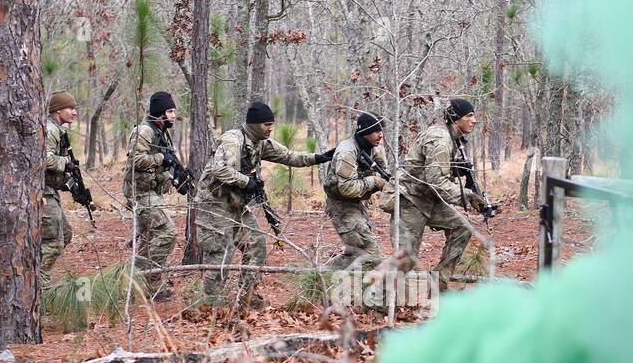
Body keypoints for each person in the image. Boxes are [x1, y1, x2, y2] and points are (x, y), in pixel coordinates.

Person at [195, 101, 333, 310]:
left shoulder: (261, 142)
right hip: (214, 203)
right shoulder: (233, 140)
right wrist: (247, 182)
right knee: (220, 252)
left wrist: (320, 158)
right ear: (254, 124)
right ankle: (212, 302)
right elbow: (219, 170)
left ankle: (246, 296)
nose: (271, 128)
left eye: (272, 124)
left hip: (236, 204)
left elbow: (288, 156)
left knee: (256, 245)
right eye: (267, 124)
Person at [381, 97, 494, 290]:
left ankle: (438, 283)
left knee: (462, 228)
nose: (474, 120)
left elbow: (432, 173)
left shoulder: (452, 138)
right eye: (469, 116)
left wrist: (457, 170)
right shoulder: (441, 140)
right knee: (407, 257)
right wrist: (468, 197)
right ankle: (376, 298)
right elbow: (436, 182)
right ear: (455, 118)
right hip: (410, 199)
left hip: (428, 198)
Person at [124, 91, 189, 296]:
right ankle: (142, 279)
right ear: (160, 113)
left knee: (151, 236)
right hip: (141, 192)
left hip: (151, 191)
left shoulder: (161, 131)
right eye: (169, 111)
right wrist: (162, 158)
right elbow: (135, 160)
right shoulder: (144, 131)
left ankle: (142, 285)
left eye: (173, 111)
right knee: (167, 233)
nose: (173, 115)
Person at [323, 111, 389, 272]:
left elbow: (385, 174)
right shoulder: (347, 152)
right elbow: (346, 188)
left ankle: (320, 277)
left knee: (355, 253)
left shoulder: (375, 148)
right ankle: (323, 278)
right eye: (376, 131)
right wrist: (374, 181)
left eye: (382, 130)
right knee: (369, 253)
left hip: (359, 204)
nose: (380, 135)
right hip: (341, 205)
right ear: (365, 132)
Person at [42, 91, 79, 285]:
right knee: (53, 243)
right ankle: (38, 286)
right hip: (42, 193)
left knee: (65, 234)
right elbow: (45, 159)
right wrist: (67, 162)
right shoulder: (50, 129)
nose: (74, 112)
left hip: (50, 191)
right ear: (58, 110)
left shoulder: (58, 129)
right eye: (70, 108)